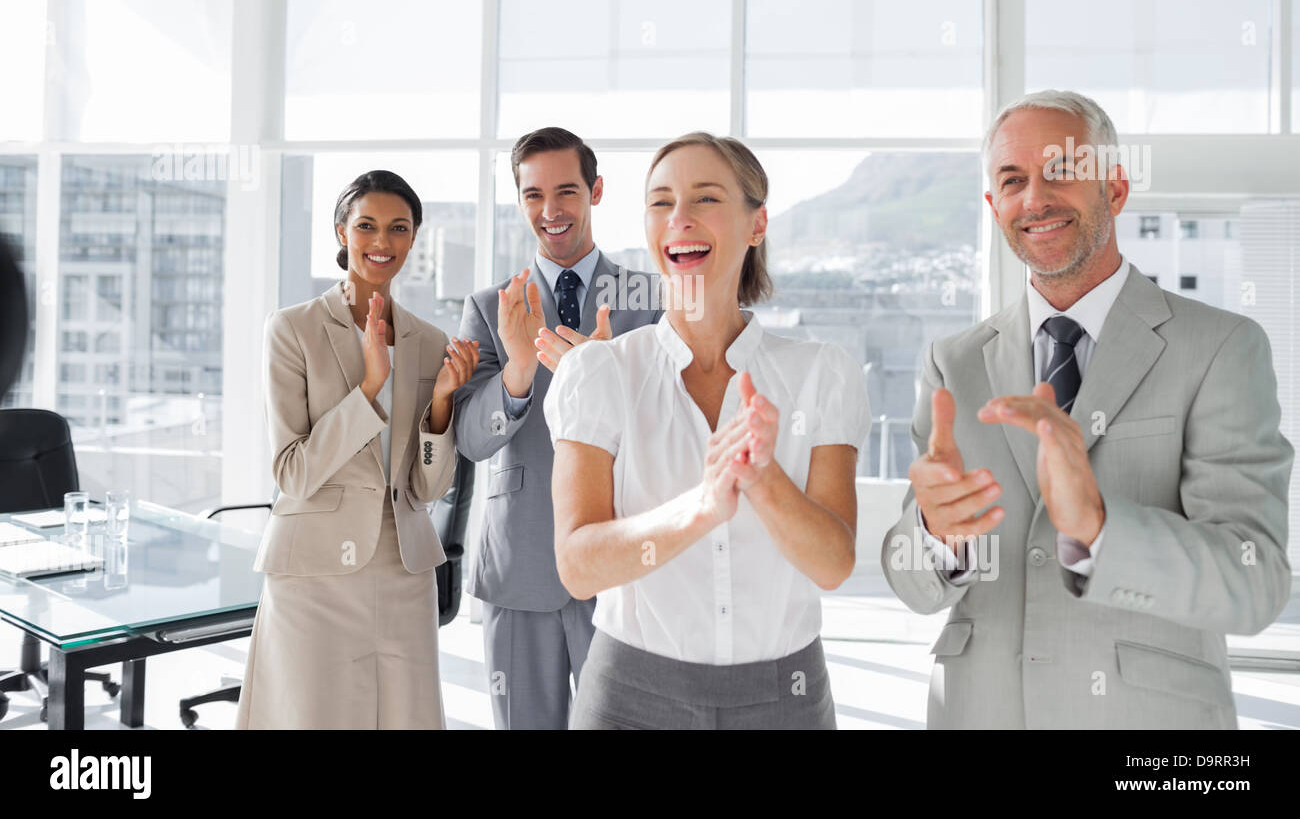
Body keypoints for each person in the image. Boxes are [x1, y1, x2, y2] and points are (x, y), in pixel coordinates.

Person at [881, 90, 1293, 729]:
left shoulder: (1220, 347)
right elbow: (913, 588)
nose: (1035, 198)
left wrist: (1099, 528)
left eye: (1063, 170)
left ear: (1117, 188)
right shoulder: (953, 364)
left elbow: (1255, 581)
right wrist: (937, 539)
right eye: (1012, 181)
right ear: (995, 207)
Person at [544, 132, 870, 729]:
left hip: (785, 699)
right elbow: (578, 566)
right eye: (661, 201)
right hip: (629, 699)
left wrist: (764, 482)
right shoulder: (599, 373)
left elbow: (832, 564)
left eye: (706, 198)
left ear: (757, 223)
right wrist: (701, 507)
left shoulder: (822, 373)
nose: (680, 219)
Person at [237, 169, 479, 729]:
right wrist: (369, 387)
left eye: (399, 228)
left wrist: (441, 405)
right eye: (366, 225)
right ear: (342, 231)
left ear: (413, 240)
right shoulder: (291, 329)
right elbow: (293, 472)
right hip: (314, 574)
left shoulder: (430, 340)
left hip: (403, 572)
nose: (382, 241)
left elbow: (430, 487)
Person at [453, 127, 662, 730]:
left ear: (596, 191)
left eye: (567, 191)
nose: (551, 211)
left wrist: (603, 381)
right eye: (533, 195)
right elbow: (470, 439)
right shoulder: (490, 307)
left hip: (619, 562)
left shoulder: (649, 300)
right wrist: (518, 373)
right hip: (522, 567)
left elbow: (675, 423)